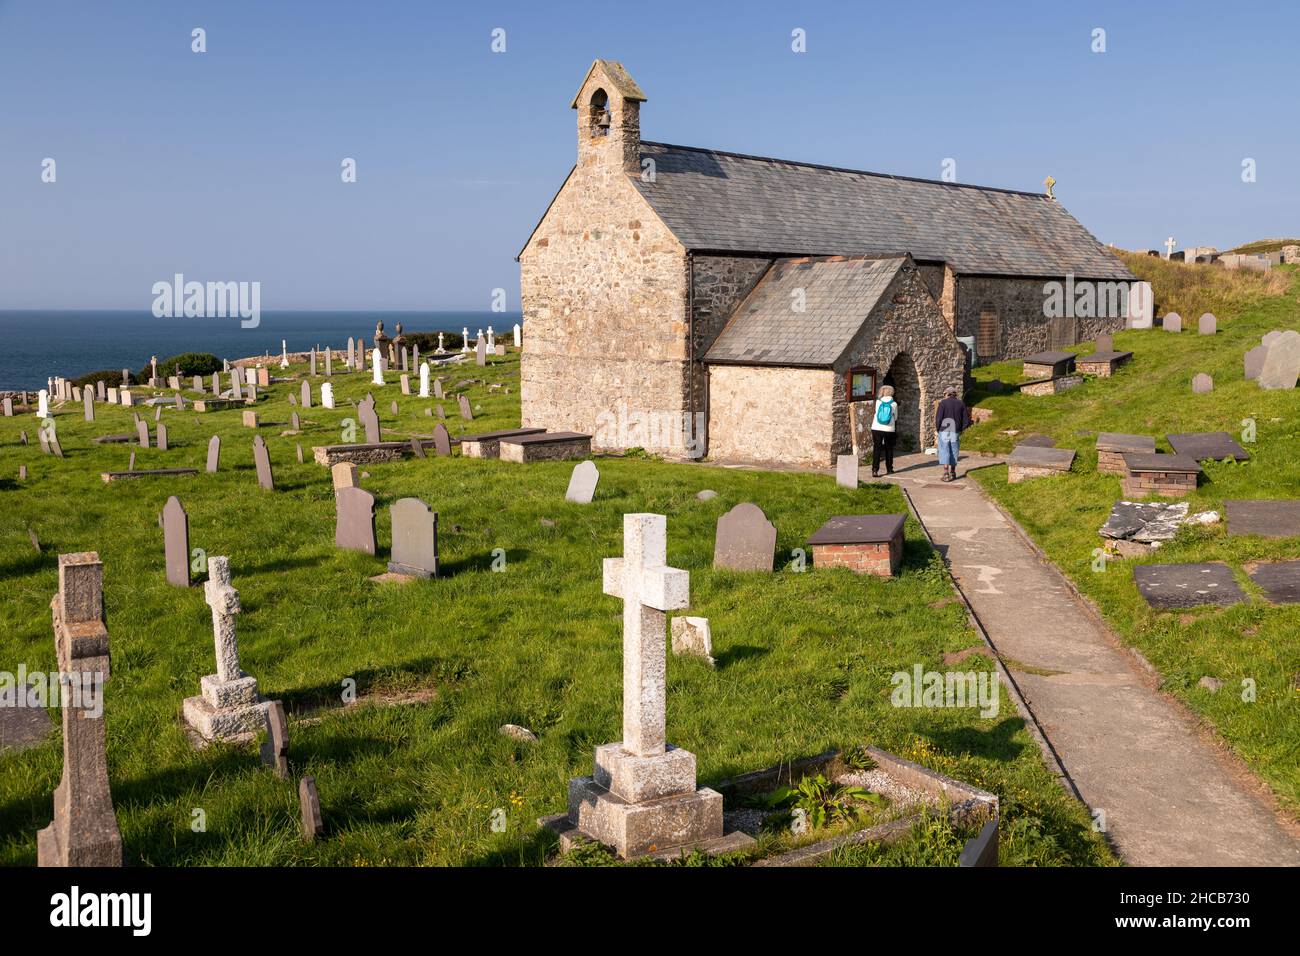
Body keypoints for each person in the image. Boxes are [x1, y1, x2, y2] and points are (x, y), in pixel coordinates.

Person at [934, 385, 970, 481]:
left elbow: (938, 419)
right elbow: (966, 420)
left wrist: (938, 429)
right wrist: (961, 429)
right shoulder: (961, 403)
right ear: (955, 394)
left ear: (947, 394)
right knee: (954, 450)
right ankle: (953, 472)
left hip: (944, 430)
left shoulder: (943, 403)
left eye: (944, 394)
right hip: (955, 431)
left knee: (944, 450)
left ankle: (946, 473)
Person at [869, 385, 898, 477]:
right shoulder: (894, 404)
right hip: (889, 429)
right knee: (889, 448)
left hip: (876, 428)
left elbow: (877, 413)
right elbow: (896, 417)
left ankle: (875, 470)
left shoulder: (878, 402)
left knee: (877, 448)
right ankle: (889, 469)